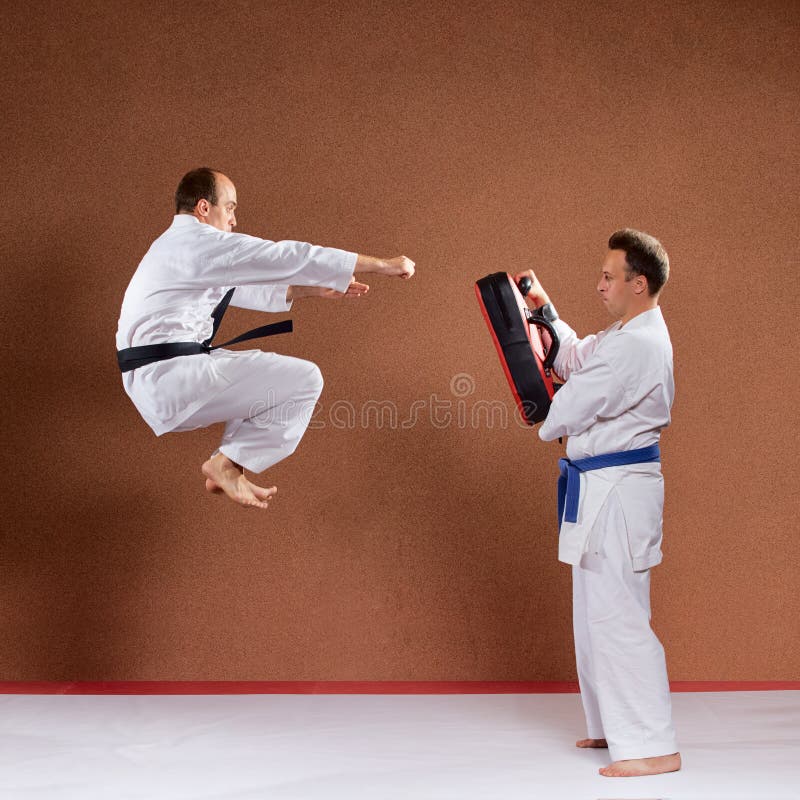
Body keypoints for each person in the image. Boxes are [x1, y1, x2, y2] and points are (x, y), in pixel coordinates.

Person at [116, 167, 414, 510]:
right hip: (170, 376)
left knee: (266, 384)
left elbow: (244, 288)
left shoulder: (176, 249)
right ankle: (226, 463)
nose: (233, 220)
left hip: (159, 380)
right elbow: (285, 255)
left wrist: (313, 289)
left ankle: (228, 463)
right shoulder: (196, 243)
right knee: (304, 380)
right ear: (203, 208)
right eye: (229, 208)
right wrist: (381, 265)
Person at [514, 229, 681, 778]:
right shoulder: (625, 333)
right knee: (594, 616)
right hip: (600, 491)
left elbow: (562, 410)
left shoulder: (640, 343)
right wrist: (545, 313)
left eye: (609, 277)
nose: (600, 285)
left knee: (620, 616)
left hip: (618, 493)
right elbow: (576, 358)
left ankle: (653, 746)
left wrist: (542, 404)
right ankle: (616, 727)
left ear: (639, 283)